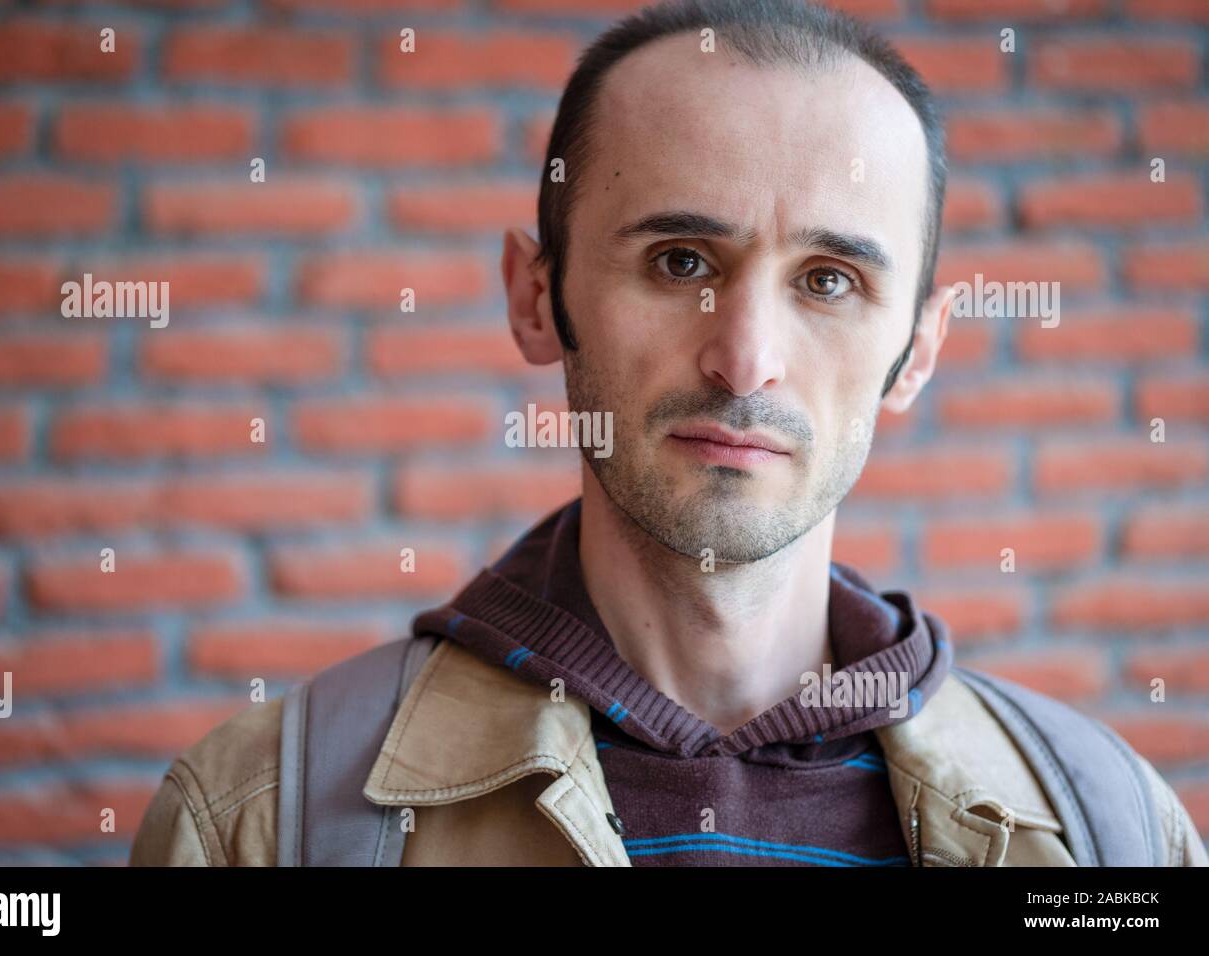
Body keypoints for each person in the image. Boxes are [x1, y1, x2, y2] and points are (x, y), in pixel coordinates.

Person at [129, 0, 1206, 867]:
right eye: (679, 261)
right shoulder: (259, 823)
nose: (743, 360)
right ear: (535, 297)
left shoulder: (1111, 832)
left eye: (828, 281)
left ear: (917, 349)